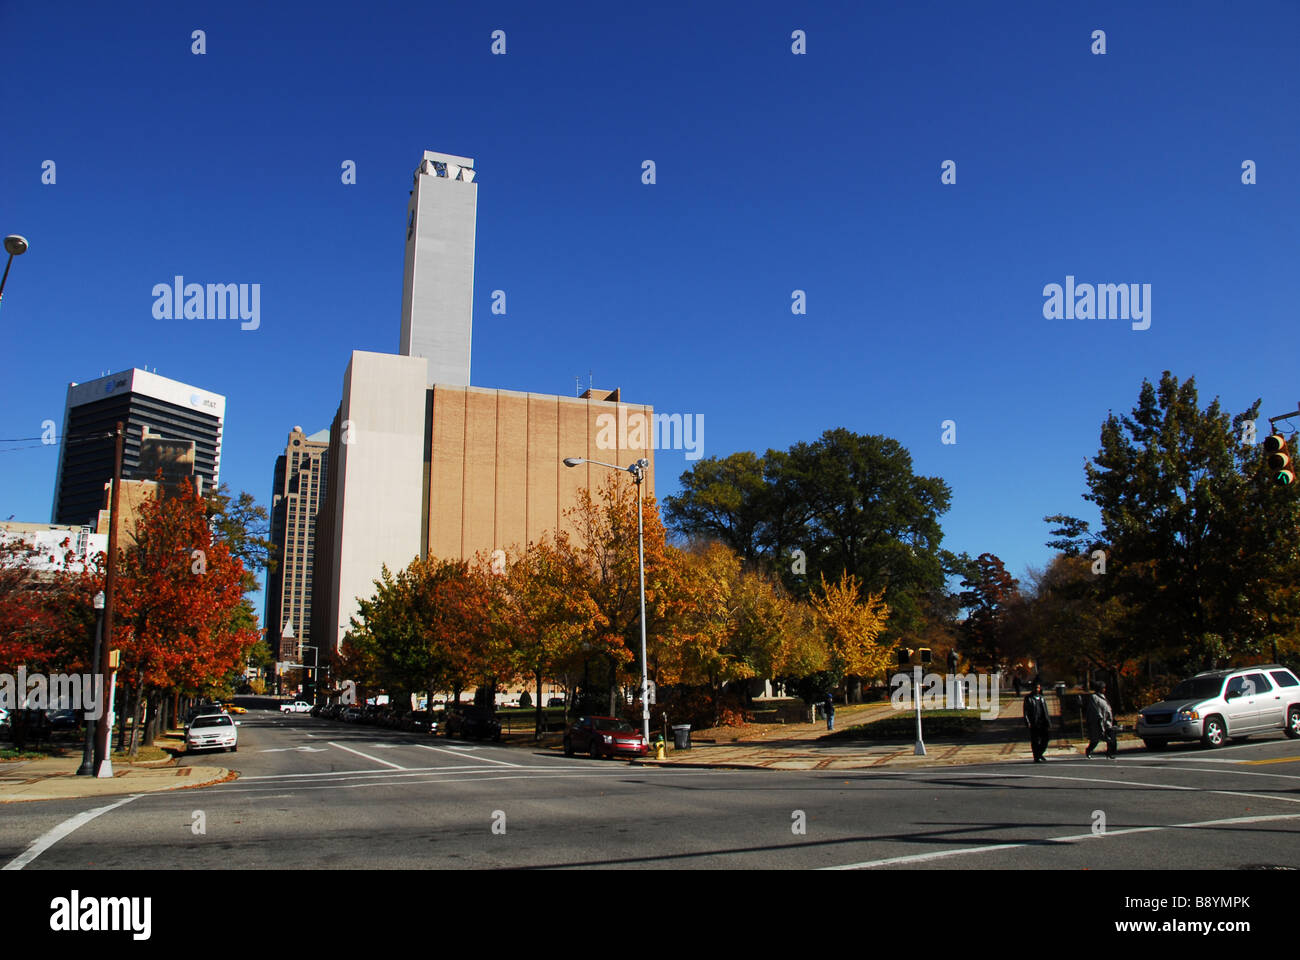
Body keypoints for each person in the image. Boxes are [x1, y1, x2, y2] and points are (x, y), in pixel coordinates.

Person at [1084, 681, 1117, 759]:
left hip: (1107, 722)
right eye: (1103, 688)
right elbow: (1095, 709)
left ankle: (1109, 753)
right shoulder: (1094, 697)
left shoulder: (1103, 697)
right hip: (1098, 722)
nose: (1105, 689)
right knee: (1095, 740)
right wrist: (1099, 718)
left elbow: (1107, 709)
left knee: (1111, 738)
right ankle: (1088, 750)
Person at [1023, 680, 1051, 762]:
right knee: (1035, 740)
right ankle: (1036, 756)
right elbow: (1025, 711)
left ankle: (1039, 753)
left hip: (1042, 722)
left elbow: (1046, 711)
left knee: (1045, 739)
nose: (1037, 689)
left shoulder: (1042, 698)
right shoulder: (1028, 698)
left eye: (1038, 687)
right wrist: (1027, 721)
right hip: (1034, 722)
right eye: (1035, 687)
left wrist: (1048, 721)